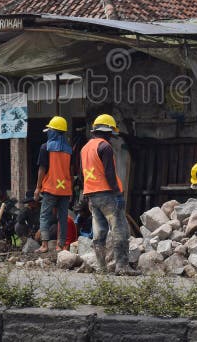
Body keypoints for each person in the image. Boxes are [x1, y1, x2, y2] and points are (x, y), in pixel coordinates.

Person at [80, 113, 137, 275]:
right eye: (111, 133)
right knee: (120, 229)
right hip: (107, 195)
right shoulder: (105, 147)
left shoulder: (85, 148)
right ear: (107, 131)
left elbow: (82, 172)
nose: (112, 136)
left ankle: (102, 268)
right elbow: (109, 174)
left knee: (99, 232)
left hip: (92, 195)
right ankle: (122, 266)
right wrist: (118, 193)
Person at [34, 116, 73, 253]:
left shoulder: (45, 147)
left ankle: (44, 245)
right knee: (62, 218)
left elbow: (42, 169)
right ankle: (60, 246)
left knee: (44, 215)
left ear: (53, 131)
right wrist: (71, 189)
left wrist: (38, 187)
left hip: (50, 188)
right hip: (65, 189)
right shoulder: (69, 150)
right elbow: (71, 171)